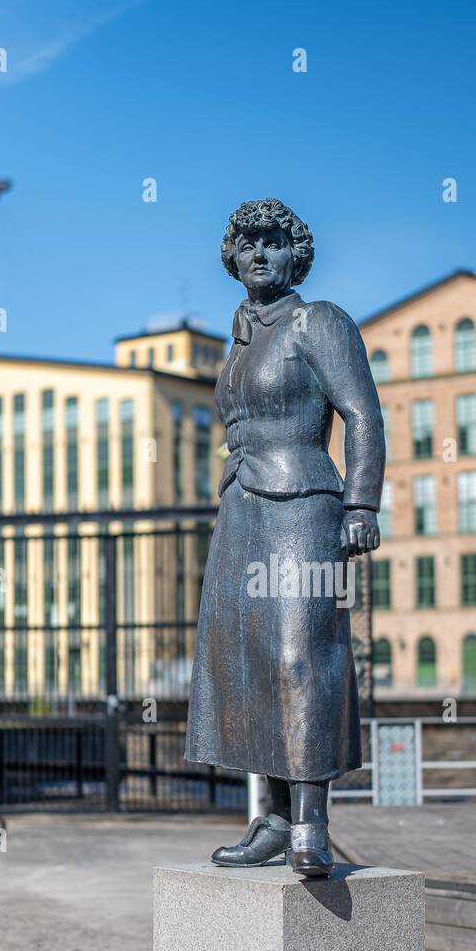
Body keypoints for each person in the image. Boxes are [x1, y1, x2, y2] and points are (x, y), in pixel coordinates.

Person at [185, 198, 385, 876]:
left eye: (272, 243)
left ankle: (311, 821)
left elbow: (362, 413)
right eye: (247, 244)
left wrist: (361, 504)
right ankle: (268, 818)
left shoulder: (317, 321)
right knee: (244, 662)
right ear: (232, 257)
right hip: (242, 507)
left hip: (304, 503)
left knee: (303, 654)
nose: (259, 254)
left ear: (295, 253)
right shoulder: (239, 337)